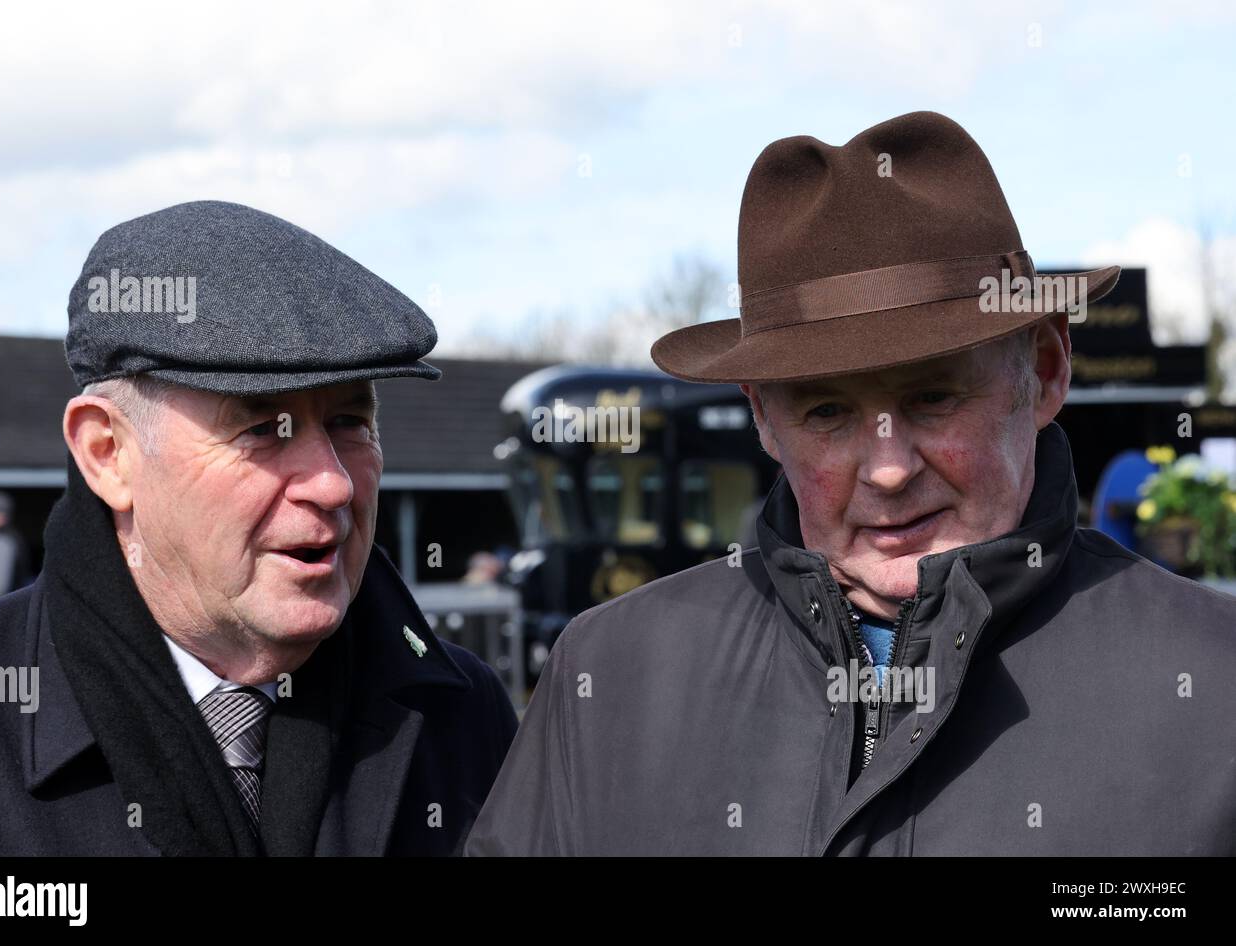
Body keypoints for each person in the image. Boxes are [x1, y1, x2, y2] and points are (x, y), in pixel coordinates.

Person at [465, 111, 1236, 856]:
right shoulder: (607, 680)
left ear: (1043, 368)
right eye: (828, 411)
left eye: (933, 397)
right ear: (762, 417)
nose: (890, 468)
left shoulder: (1214, 683)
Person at [0, 200, 518, 855]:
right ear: (108, 454)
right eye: (263, 429)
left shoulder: (462, 717)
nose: (332, 483)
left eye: (350, 423)